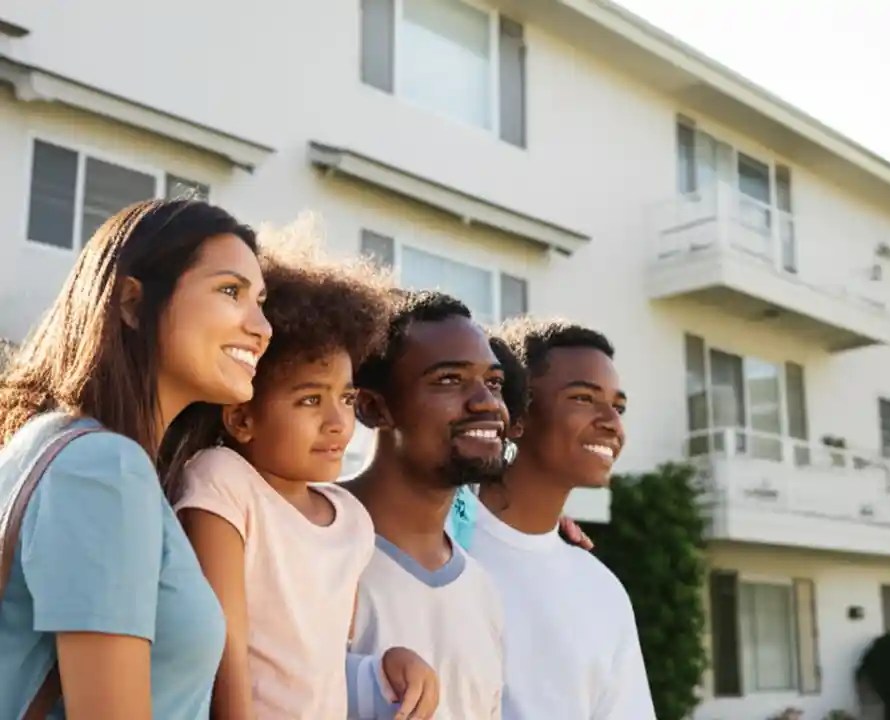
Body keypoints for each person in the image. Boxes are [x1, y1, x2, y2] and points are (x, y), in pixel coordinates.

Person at [0, 199, 267, 719]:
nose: (262, 327)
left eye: (262, 300)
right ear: (131, 302)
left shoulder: (46, 445)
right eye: (230, 291)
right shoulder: (102, 469)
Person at [171, 224, 438, 720]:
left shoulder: (352, 520)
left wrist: (389, 664)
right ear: (242, 417)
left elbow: (322, 661)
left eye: (347, 398)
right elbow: (220, 644)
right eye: (310, 399)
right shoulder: (223, 480)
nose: (338, 422)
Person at [475, 318, 656, 720]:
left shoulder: (602, 590)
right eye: (582, 398)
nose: (612, 422)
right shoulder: (437, 541)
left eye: (618, 406)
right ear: (517, 413)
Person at [344, 291, 509, 719]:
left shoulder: (482, 591)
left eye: (494, 383)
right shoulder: (306, 540)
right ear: (373, 407)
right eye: (450, 380)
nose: (487, 403)